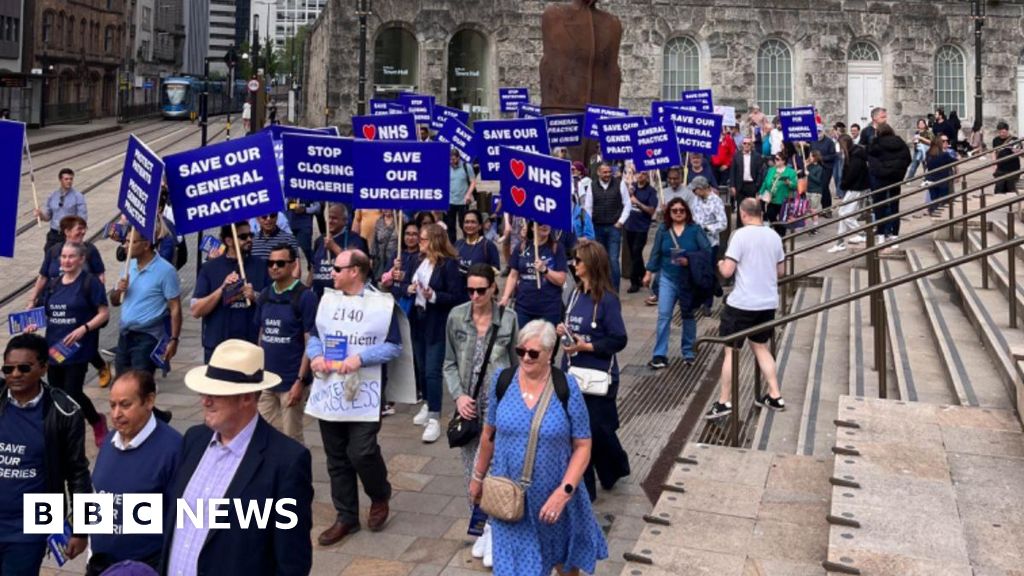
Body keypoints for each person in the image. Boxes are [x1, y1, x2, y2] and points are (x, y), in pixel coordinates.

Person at [469, 320, 608, 576]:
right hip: (509, 499)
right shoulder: (502, 380)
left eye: (533, 353)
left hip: (553, 499)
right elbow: (489, 435)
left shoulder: (566, 387)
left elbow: (583, 445)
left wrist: (564, 492)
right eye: (521, 351)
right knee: (514, 568)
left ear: (549, 354)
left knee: (564, 565)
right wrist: (477, 477)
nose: (525, 358)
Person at [164, 340, 313, 576]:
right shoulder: (194, 440)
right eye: (205, 391)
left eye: (217, 394)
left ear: (246, 398)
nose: (205, 401)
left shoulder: (286, 462)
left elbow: (292, 563)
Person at [306, 249, 400, 546]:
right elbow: (314, 336)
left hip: (365, 390)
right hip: (330, 389)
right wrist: (316, 356)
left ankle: (379, 493)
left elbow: (394, 346)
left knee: (361, 451)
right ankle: (346, 516)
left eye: (337, 268)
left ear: (355, 271)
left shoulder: (381, 305)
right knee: (336, 456)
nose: (331, 272)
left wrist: (361, 358)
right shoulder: (328, 301)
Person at [443, 263, 519, 566]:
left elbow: (517, 364)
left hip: (498, 403)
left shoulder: (509, 319)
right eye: (470, 290)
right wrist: (458, 396)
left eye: (480, 290)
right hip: (469, 403)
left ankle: (494, 528)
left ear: (493, 289)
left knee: (494, 468)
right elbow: (449, 362)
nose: (474, 295)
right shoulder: (456, 317)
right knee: (471, 469)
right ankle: (481, 525)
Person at [0, 334, 90, 573]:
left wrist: (81, 529)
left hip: (32, 525)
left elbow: (78, 473)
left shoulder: (65, 412)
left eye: (24, 367)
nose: (15, 374)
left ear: (43, 368)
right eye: (8, 369)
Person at [87, 371, 182, 576]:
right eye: (112, 405)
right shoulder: (110, 440)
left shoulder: (173, 450)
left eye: (125, 404)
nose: (116, 414)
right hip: (101, 565)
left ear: (149, 401)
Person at [558, 241, 630, 499]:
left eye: (578, 261)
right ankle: (585, 488)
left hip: (599, 376)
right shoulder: (575, 294)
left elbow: (618, 339)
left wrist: (587, 345)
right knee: (578, 434)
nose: (573, 265)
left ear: (591, 265)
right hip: (572, 374)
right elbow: (571, 325)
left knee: (599, 430)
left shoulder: (608, 301)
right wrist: (564, 333)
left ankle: (614, 467)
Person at [706, 199, 786, 419]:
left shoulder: (740, 235)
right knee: (761, 347)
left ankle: (724, 401)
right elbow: (781, 271)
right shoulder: (774, 236)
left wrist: (720, 263)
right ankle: (775, 394)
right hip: (767, 303)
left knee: (731, 352)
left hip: (742, 303)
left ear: (742, 214)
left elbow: (728, 271)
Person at [27, 242, 110, 446]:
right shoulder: (53, 284)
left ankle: (83, 429)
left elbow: (104, 313)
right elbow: (47, 313)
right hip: (54, 350)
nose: (66, 260)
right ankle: (82, 423)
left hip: (78, 351)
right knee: (57, 393)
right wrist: (32, 324)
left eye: (71, 257)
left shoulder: (90, 283)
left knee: (71, 394)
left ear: (81, 259)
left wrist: (85, 328)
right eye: (63, 257)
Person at [27, 215, 111, 388]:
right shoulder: (53, 255)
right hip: (60, 316)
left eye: (83, 228)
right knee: (59, 385)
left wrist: (98, 291)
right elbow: (43, 277)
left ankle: (100, 367)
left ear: (80, 259)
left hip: (83, 308)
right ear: (66, 232)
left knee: (73, 388)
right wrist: (32, 303)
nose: (82, 232)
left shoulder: (90, 252)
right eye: (78, 228)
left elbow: (100, 274)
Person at [256, 244, 317, 443]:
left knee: (292, 439)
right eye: (271, 263)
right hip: (266, 381)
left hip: (291, 380)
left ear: (293, 265)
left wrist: (300, 381)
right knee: (262, 435)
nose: (274, 267)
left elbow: (310, 342)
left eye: (280, 263)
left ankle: (297, 474)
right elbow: (262, 334)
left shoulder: (305, 296)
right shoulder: (265, 295)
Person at [409, 224, 464, 442]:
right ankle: (428, 403)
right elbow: (407, 283)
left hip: (437, 322)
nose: (418, 243)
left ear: (434, 241)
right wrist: (409, 288)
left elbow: (457, 297)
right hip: (418, 318)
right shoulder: (418, 261)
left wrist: (433, 295)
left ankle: (435, 416)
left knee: (433, 369)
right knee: (421, 367)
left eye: (423, 239)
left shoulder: (448, 265)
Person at [643, 198, 711, 369]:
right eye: (675, 210)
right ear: (669, 213)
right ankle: (659, 354)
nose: (678, 213)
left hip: (688, 280)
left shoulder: (695, 230)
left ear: (687, 212)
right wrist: (648, 273)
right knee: (664, 315)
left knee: (688, 315)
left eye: (682, 210)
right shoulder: (663, 230)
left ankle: (688, 351)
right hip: (668, 277)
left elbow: (707, 251)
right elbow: (655, 252)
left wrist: (690, 260)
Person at [109, 226, 182, 376]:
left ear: (146, 244)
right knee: (121, 382)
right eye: (126, 241)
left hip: (148, 337)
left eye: (131, 242)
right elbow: (114, 301)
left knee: (139, 383)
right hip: (125, 335)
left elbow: (175, 307)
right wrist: (119, 290)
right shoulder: (128, 266)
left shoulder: (165, 271)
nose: (125, 246)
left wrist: (174, 339)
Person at [191, 222, 269, 361]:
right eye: (243, 237)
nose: (249, 240)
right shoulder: (209, 268)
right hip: (218, 345)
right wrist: (222, 289)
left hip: (249, 344)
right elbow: (196, 310)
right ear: (228, 241)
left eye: (250, 235)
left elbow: (273, 303)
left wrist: (255, 296)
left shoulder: (261, 266)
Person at [500, 222, 569, 328]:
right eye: (540, 223)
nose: (545, 225)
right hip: (523, 308)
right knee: (522, 342)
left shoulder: (557, 248)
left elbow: (561, 280)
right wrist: (505, 297)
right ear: (532, 227)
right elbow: (513, 275)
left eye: (548, 222)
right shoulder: (522, 247)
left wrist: (545, 270)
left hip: (549, 309)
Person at [308, 203, 368, 298]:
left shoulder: (355, 240)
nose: (330, 221)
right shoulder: (319, 240)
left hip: (343, 297)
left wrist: (334, 247)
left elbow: (359, 266)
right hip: (319, 297)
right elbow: (313, 267)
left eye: (334, 218)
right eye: (329, 217)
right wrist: (307, 289)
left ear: (344, 221)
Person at [867, 123, 912, 247]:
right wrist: (898, 171)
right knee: (894, 206)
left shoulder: (875, 144)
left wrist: (882, 171)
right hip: (895, 178)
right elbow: (908, 159)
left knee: (879, 207)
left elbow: (872, 162)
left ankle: (881, 235)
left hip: (880, 178)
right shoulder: (900, 143)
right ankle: (895, 236)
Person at [589, 162, 631, 290]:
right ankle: (602, 288)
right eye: (604, 172)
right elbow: (588, 207)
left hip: (614, 227)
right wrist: (589, 225)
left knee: (613, 260)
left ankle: (614, 291)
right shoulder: (592, 186)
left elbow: (627, 204)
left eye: (609, 172)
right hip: (597, 227)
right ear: (598, 173)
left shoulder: (620, 184)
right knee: (600, 260)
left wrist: (620, 222)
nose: (607, 174)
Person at [828, 134, 870, 253]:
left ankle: (862, 234)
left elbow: (852, 173)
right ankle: (840, 242)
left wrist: (844, 184)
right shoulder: (853, 153)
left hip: (856, 188)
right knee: (843, 213)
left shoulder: (855, 155)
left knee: (845, 213)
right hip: (854, 187)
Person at [36, 168, 88, 253]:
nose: (69, 181)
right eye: (66, 179)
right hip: (54, 234)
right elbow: (48, 217)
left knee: (66, 262)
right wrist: (41, 214)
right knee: (49, 260)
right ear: (60, 180)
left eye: (71, 179)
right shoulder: (52, 196)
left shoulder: (78, 196)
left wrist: (77, 234)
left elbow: (82, 218)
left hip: (69, 235)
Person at [623, 171, 659, 293]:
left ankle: (634, 282)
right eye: (638, 173)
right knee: (634, 255)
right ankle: (643, 273)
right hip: (629, 226)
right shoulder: (632, 188)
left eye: (643, 174)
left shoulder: (651, 191)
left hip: (641, 227)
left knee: (636, 251)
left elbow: (651, 211)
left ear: (647, 176)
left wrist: (637, 202)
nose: (640, 176)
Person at [758, 153, 798, 237]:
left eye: (777, 159)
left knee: (783, 219)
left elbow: (795, 186)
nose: (775, 160)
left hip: (784, 200)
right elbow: (765, 182)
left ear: (783, 161)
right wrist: (760, 193)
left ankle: (782, 236)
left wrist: (789, 183)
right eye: (775, 159)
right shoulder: (771, 170)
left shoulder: (791, 172)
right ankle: (777, 230)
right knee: (770, 214)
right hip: (772, 199)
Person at [688, 176, 728, 256]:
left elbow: (723, 223)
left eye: (694, 190)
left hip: (711, 242)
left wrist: (707, 228)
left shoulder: (716, 201)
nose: (693, 192)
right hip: (696, 241)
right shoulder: (695, 199)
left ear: (701, 188)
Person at [456, 208, 501, 277]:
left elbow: (496, 270)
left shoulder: (488, 246)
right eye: (467, 222)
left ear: (480, 226)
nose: (469, 225)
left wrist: (479, 273)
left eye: (473, 222)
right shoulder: (458, 244)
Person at [925, 134, 958, 216]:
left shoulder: (928, 153)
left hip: (931, 180)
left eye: (947, 141)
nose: (946, 143)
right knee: (943, 201)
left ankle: (932, 212)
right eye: (943, 141)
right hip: (942, 180)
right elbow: (955, 161)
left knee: (934, 199)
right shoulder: (944, 155)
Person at [448, 148, 476, 244]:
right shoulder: (447, 167)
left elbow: (473, 182)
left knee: (463, 223)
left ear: (459, 158)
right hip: (450, 201)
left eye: (454, 159)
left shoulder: (466, 166)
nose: (452, 162)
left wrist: (468, 194)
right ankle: (452, 244)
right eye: (450, 160)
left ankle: (467, 242)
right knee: (450, 225)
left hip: (462, 201)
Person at [729, 138, 765, 213]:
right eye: (745, 143)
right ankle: (740, 225)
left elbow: (760, 173)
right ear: (742, 144)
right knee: (740, 209)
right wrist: (732, 186)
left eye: (749, 144)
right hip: (740, 185)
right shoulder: (736, 156)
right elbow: (733, 171)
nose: (746, 145)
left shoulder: (757, 156)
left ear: (751, 145)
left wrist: (757, 185)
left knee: (751, 209)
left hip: (752, 185)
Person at [287, 198, 321, 266]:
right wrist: (291, 205)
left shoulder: (309, 189)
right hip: (290, 223)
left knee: (305, 247)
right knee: (290, 250)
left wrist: (305, 210)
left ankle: (314, 266)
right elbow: (282, 204)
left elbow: (318, 208)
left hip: (305, 224)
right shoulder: (288, 190)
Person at [992, 121, 1021, 195]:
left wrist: (1017, 151)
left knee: (1011, 191)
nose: (1001, 134)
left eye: (1003, 132)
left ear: (1007, 130)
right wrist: (994, 164)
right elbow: (994, 152)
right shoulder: (995, 140)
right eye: (999, 132)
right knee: (999, 190)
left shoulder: (1015, 139)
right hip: (1000, 169)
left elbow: (1021, 154)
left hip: (1013, 169)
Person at [371, 209, 399, 281]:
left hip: (395, 259)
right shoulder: (379, 222)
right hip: (380, 260)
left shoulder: (401, 220)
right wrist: (371, 257)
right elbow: (375, 241)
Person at [805, 150, 826, 231]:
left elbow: (818, 180)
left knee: (813, 210)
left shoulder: (819, 168)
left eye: (810, 156)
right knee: (808, 209)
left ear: (814, 157)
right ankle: (811, 225)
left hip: (816, 191)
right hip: (809, 190)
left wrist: (809, 174)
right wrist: (805, 165)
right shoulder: (809, 166)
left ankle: (815, 226)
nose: (809, 157)